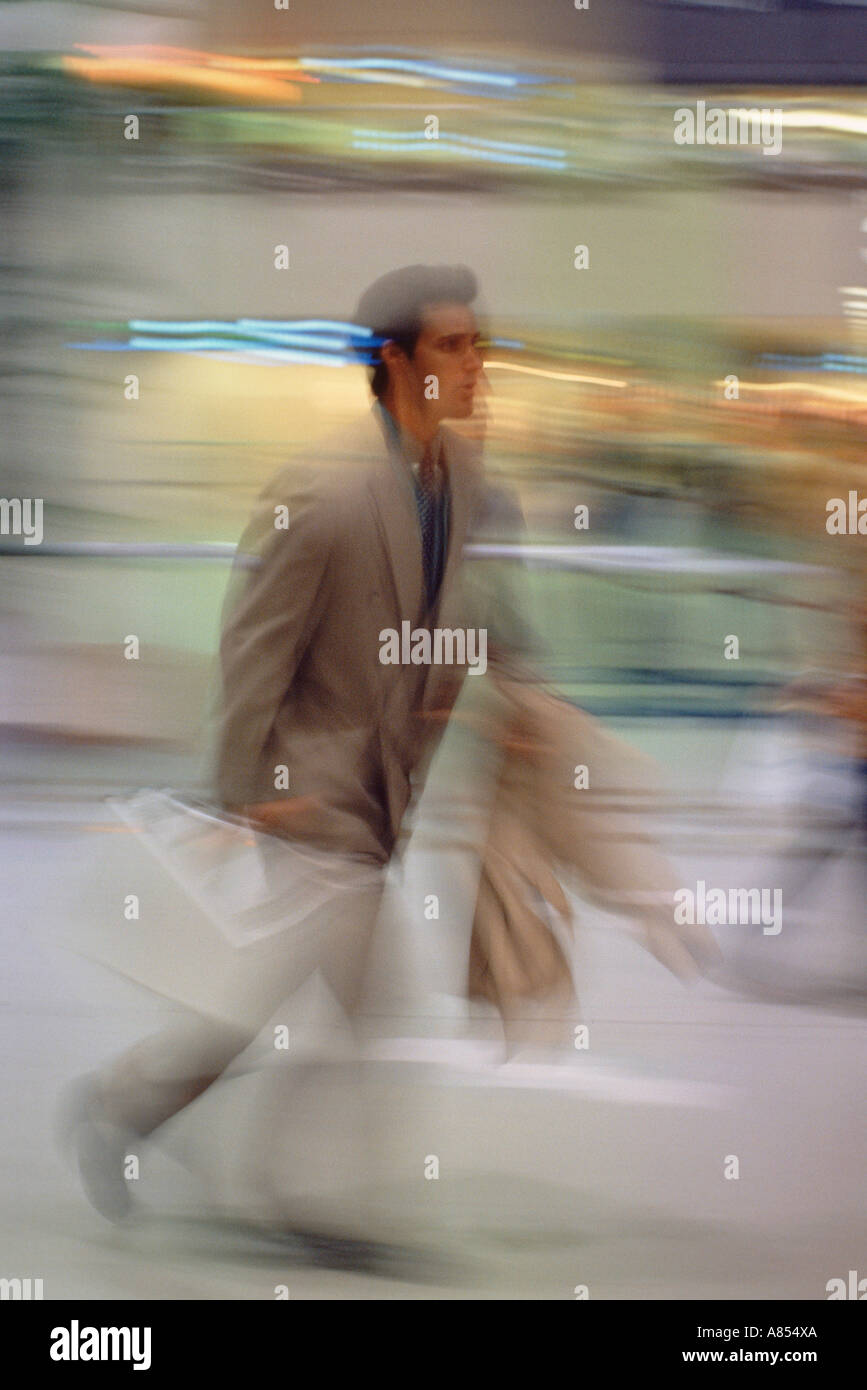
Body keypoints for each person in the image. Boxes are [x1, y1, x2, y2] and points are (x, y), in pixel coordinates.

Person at [58, 263, 519, 1257]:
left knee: (260, 997)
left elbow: (451, 620)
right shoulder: (323, 488)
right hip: (311, 799)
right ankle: (303, 1197)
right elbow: (254, 647)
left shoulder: (467, 485)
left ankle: (126, 1103)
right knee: (370, 1006)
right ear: (391, 361)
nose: (477, 362)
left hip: (379, 800)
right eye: (453, 344)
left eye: (477, 343)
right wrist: (248, 791)